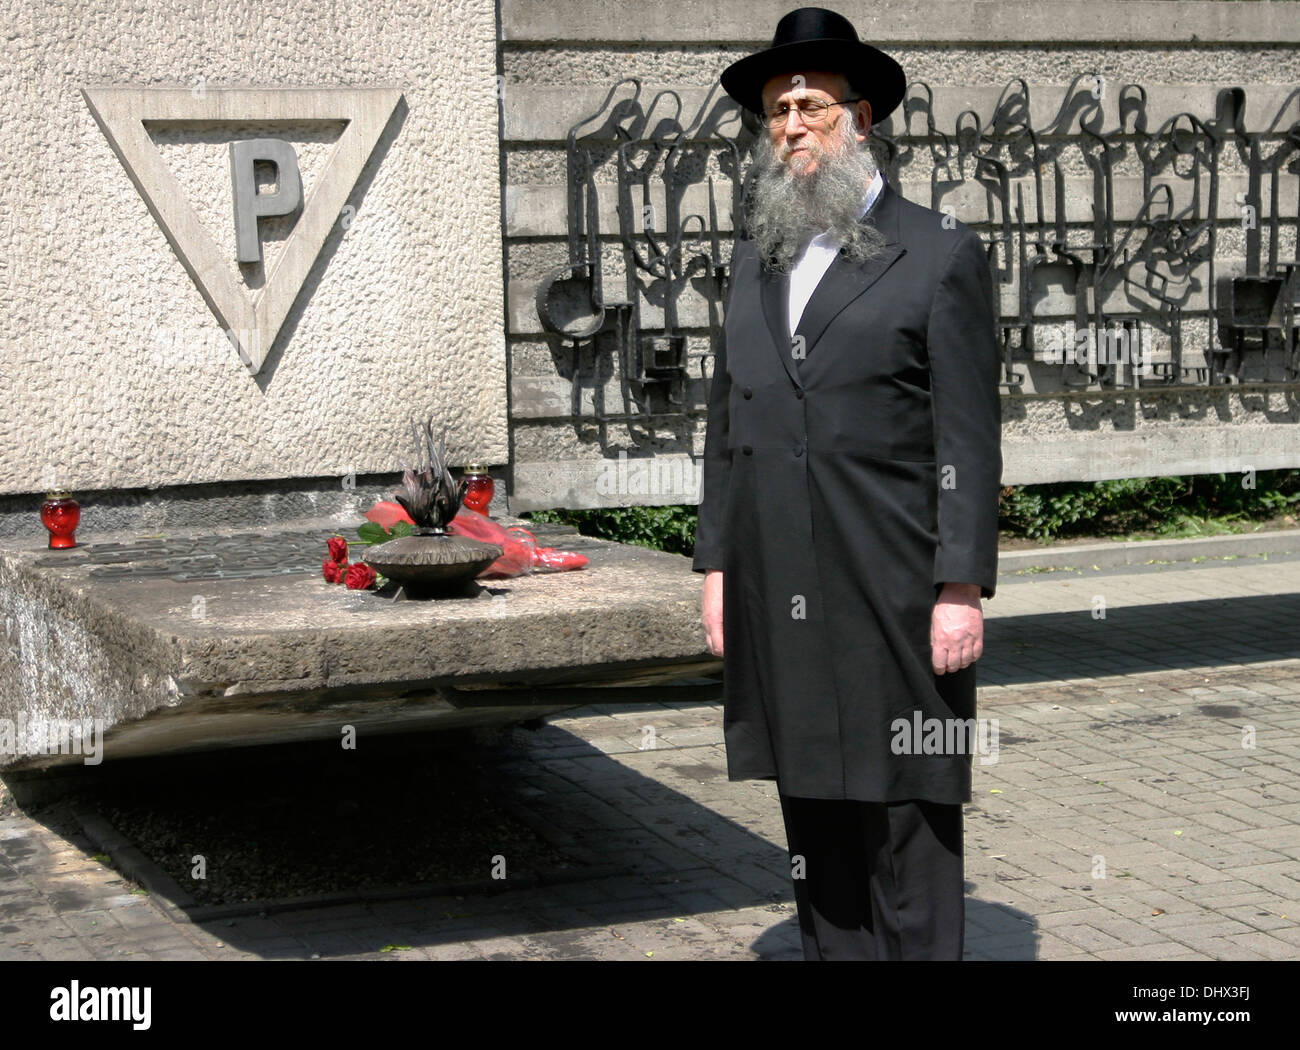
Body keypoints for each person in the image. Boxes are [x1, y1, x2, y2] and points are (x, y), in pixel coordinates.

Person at [693, 6, 1002, 960]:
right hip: (778, 579)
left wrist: (959, 587)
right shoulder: (754, 262)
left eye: (810, 106)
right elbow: (726, 427)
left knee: (907, 810)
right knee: (815, 810)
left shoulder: (939, 253)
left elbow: (970, 434)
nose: (789, 125)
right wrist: (714, 571)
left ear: (860, 120)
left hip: (896, 587)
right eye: (776, 110)